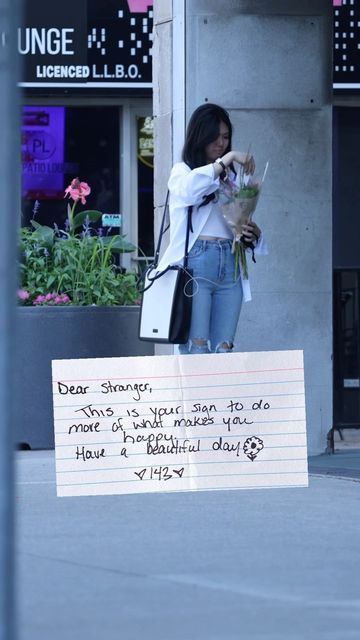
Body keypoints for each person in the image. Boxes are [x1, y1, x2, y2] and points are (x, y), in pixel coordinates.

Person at [157, 103, 268, 354]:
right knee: (197, 348)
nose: (221, 143)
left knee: (224, 349)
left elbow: (237, 223)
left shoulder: (231, 178)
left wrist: (254, 234)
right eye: (215, 137)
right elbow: (188, 192)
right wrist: (227, 159)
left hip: (230, 264)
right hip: (197, 265)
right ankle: (194, 394)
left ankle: (218, 394)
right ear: (200, 137)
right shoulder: (183, 171)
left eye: (226, 137)